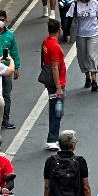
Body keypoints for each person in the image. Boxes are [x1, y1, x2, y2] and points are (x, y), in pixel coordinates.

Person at [65, 0, 98, 92]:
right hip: (80, 35)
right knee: (82, 57)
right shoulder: (75, 5)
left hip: (92, 34)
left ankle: (94, 80)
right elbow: (69, 20)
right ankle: (87, 77)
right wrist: (67, 34)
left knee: (90, 55)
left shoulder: (94, 3)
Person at [41, 19, 67, 150]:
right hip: (57, 83)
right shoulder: (54, 46)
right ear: (59, 30)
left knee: (55, 110)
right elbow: (55, 67)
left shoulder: (46, 42)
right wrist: (58, 87)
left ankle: (53, 137)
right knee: (57, 111)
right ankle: (52, 138)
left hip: (51, 82)